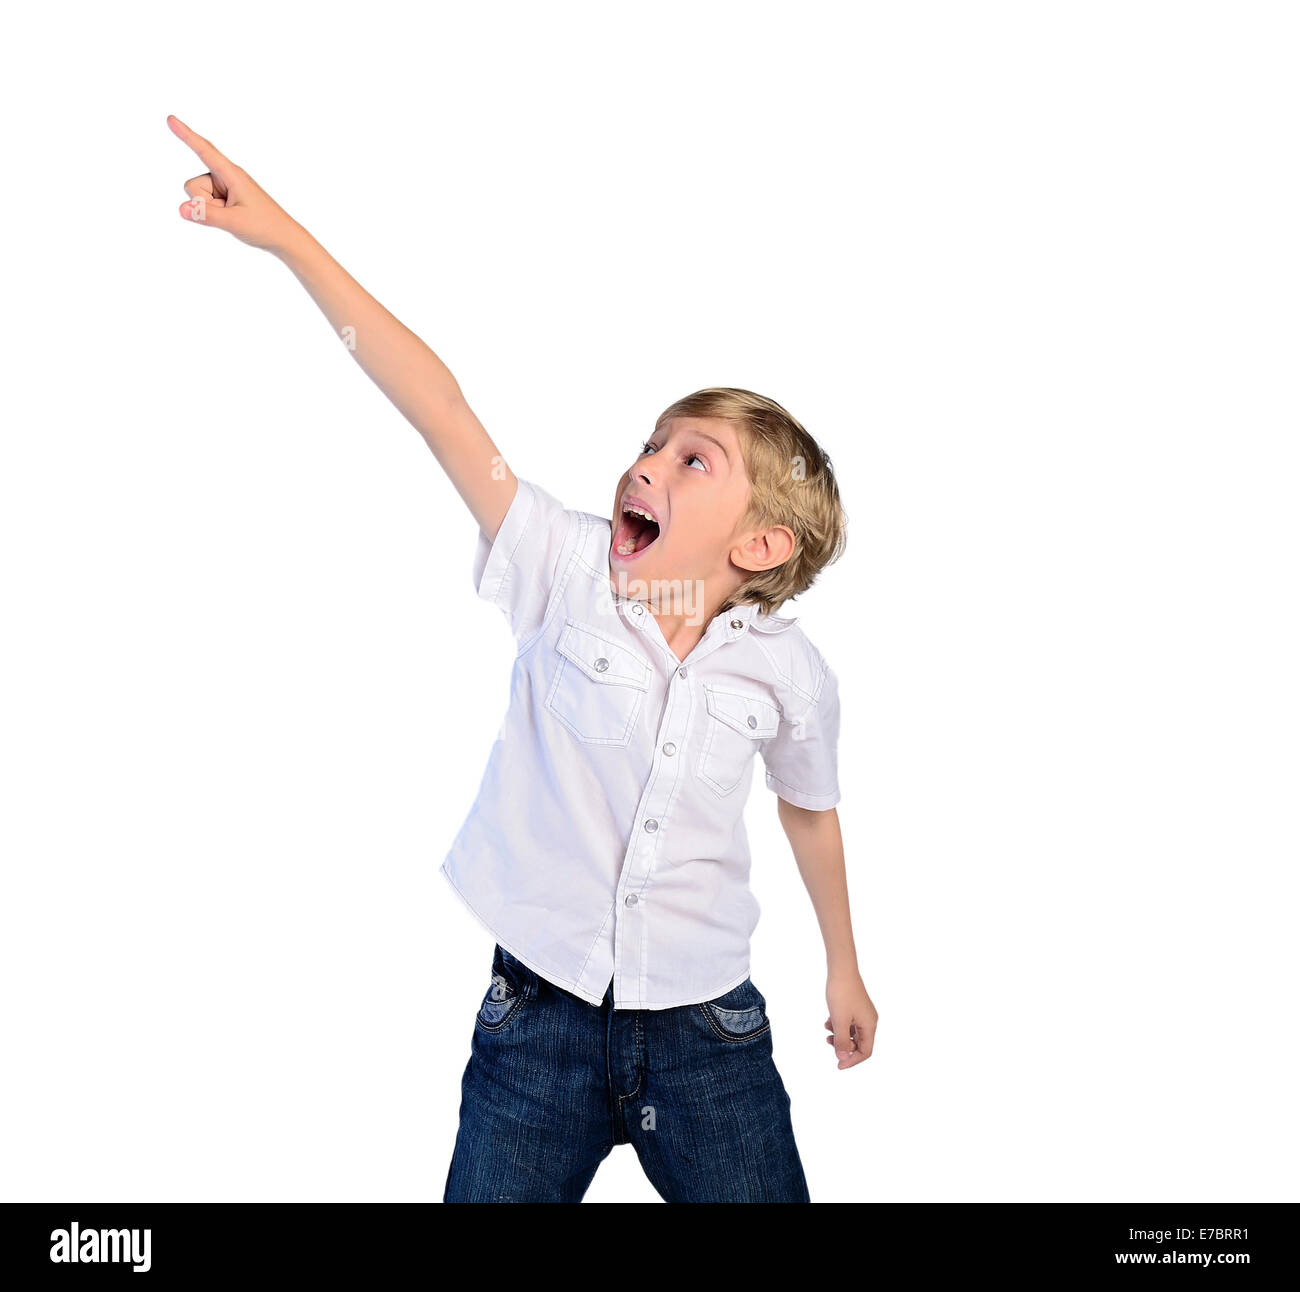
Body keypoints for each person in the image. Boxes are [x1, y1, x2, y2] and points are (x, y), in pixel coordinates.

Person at [169, 114, 879, 1203]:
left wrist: (842, 961)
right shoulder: (562, 567)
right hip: (535, 1024)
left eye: (692, 459)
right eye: (650, 443)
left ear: (760, 545)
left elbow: (811, 810)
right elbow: (442, 408)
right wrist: (287, 239)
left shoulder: (789, 674)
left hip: (709, 1033)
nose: (645, 465)